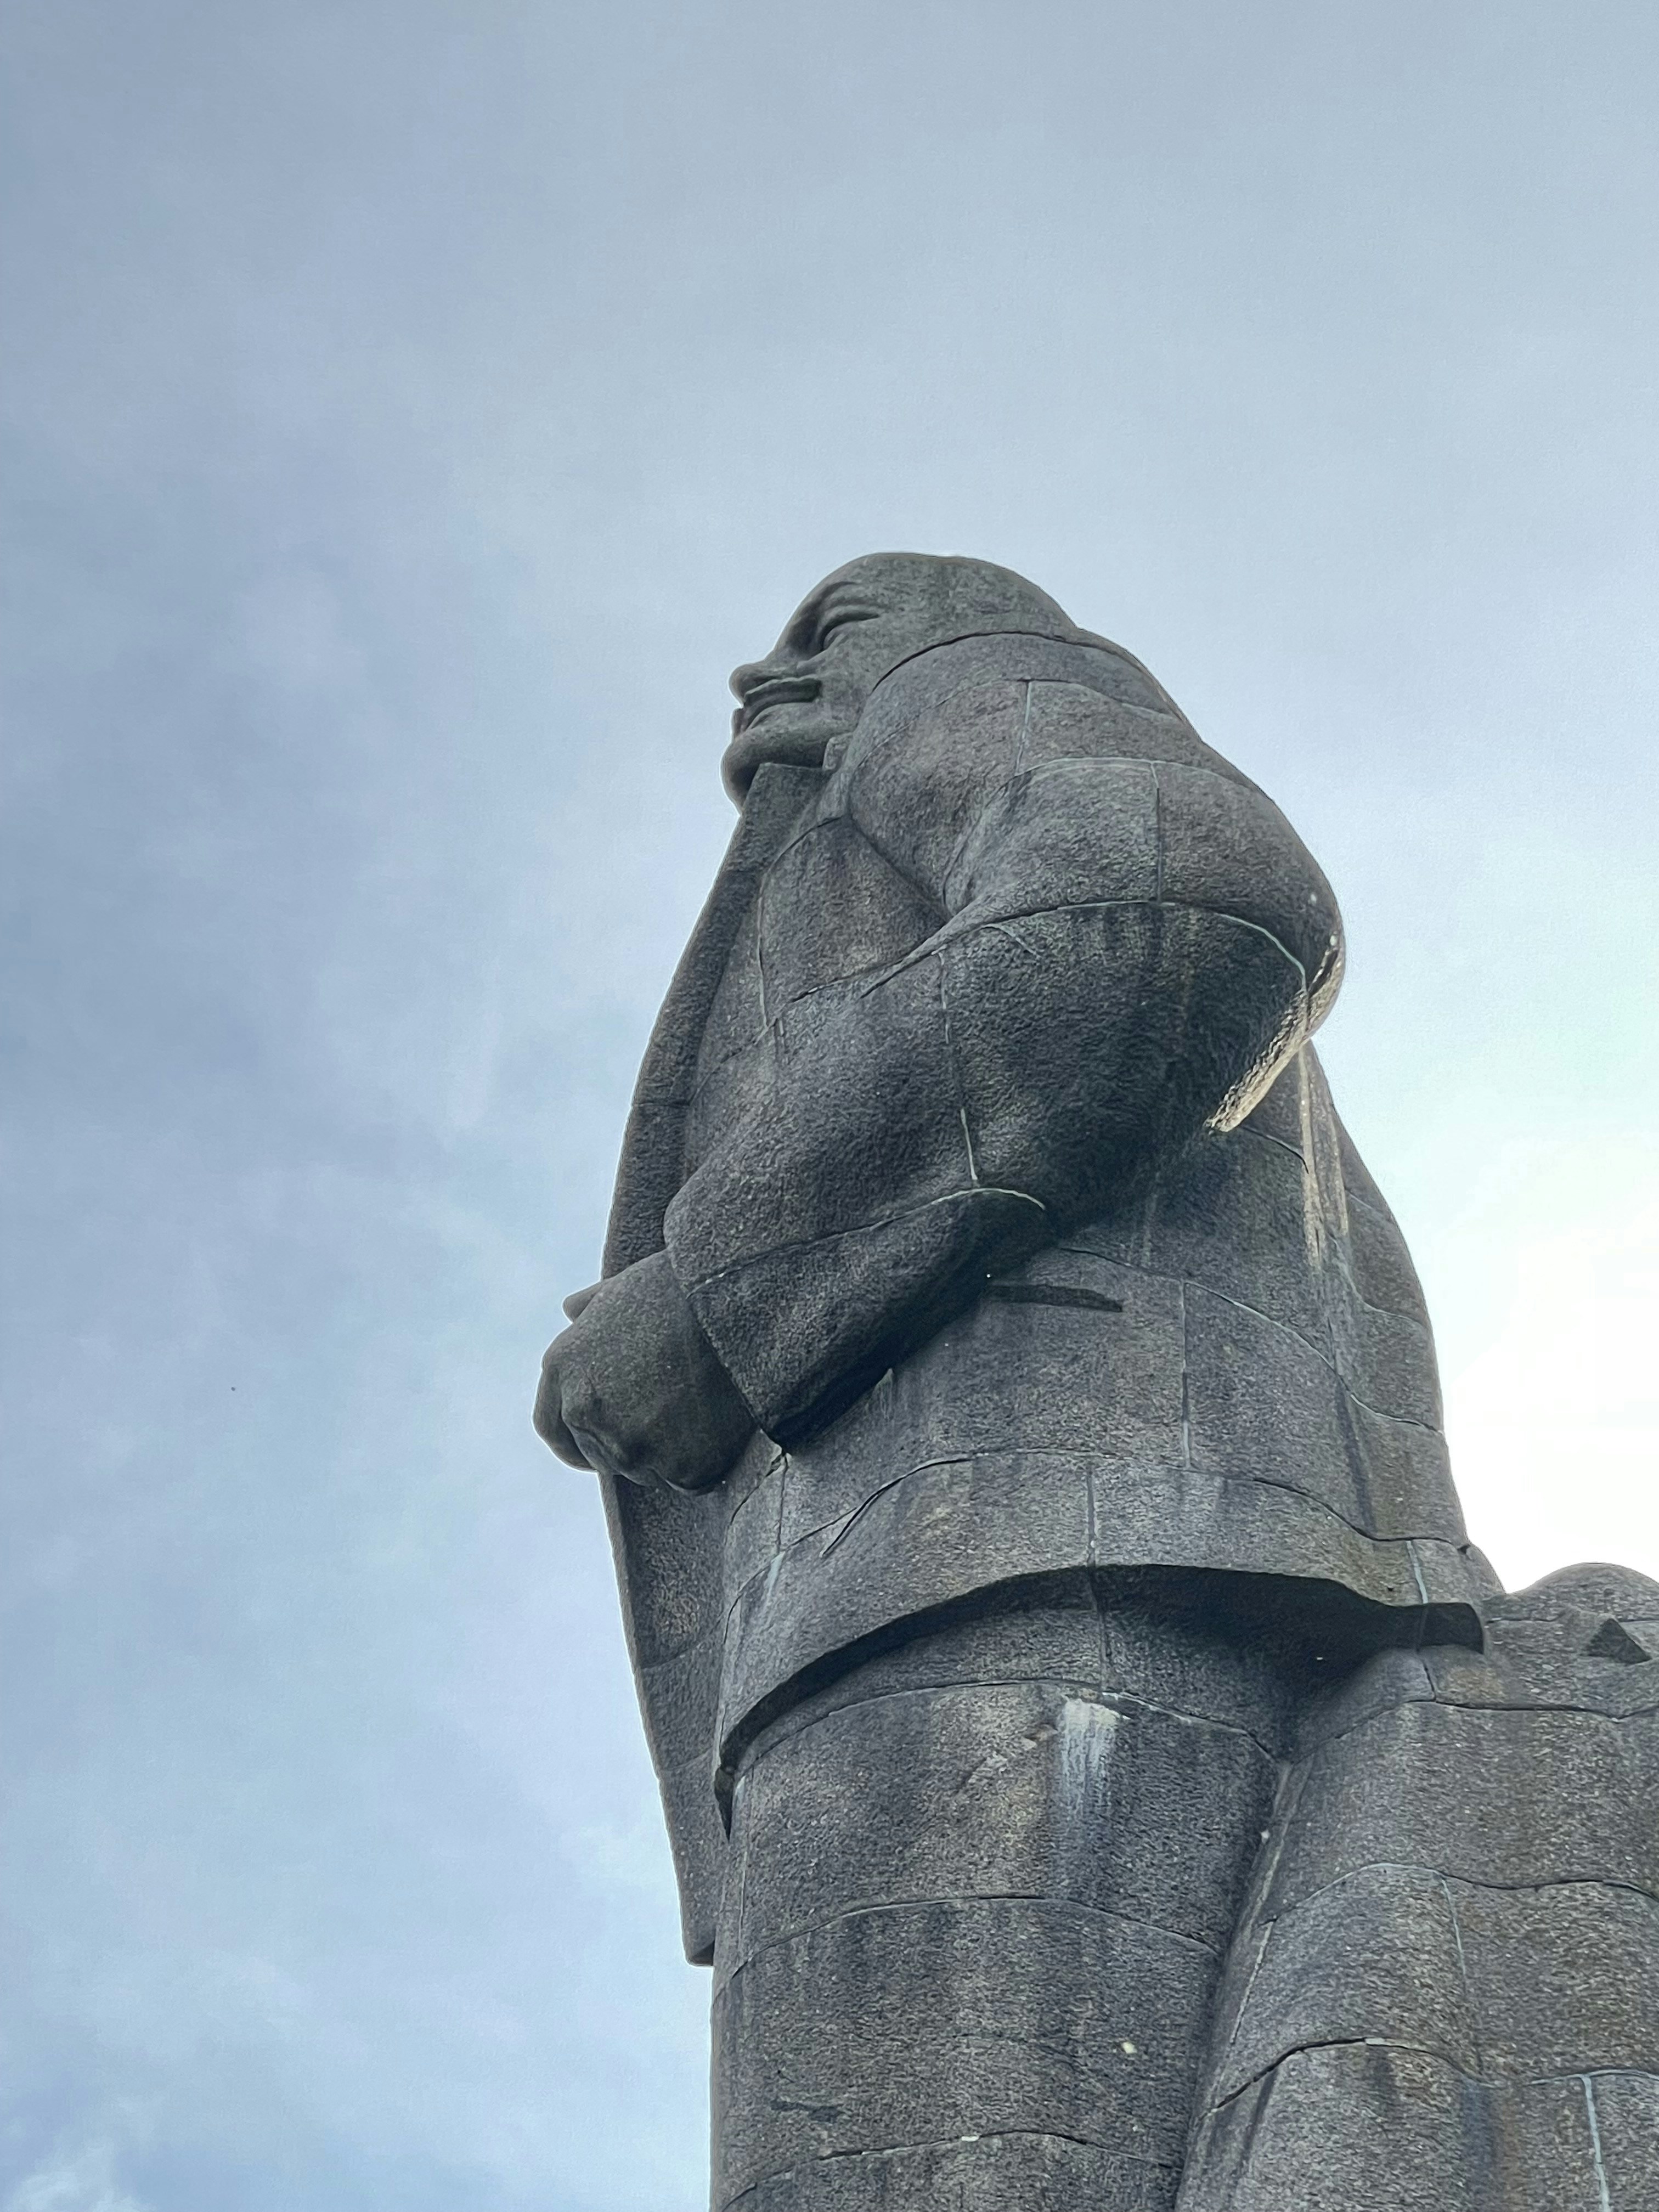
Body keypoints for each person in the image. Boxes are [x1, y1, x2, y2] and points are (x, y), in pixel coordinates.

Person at [535, 554, 1494, 2212]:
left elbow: (1183, 891)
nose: (764, 692)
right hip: (1053, 1555)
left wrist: (710, 1301)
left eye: (826, 633)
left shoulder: (956, 682)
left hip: (999, 1552)